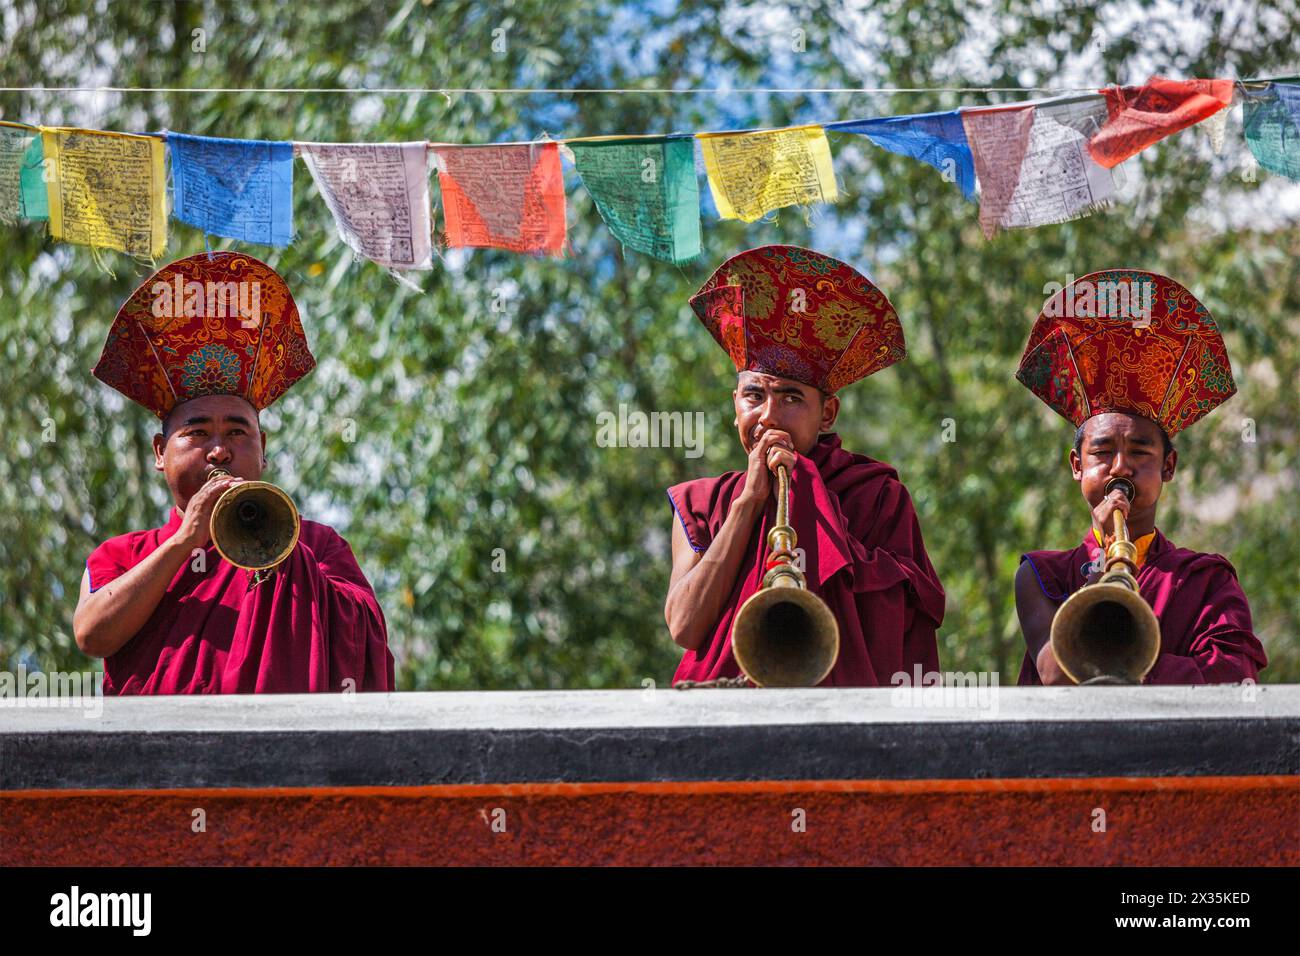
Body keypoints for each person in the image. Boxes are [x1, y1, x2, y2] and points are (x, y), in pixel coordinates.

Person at [72, 251, 395, 695]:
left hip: (283, 756)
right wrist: (187, 539)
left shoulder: (315, 544)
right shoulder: (125, 554)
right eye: (198, 432)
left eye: (238, 432)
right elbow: (92, 634)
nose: (220, 450)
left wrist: (286, 559)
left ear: (262, 449)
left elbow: (366, 636)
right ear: (161, 452)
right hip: (157, 760)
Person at [663, 245, 944, 686]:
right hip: (720, 719)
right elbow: (684, 626)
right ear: (736, 405)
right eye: (755, 396)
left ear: (827, 415)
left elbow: (905, 620)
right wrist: (749, 503)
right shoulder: (702, 502)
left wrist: (808, 493)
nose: (769, 416)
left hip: (839, 722)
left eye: (791, 397)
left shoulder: (876, 496)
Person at [1013, 268, 1266, 685]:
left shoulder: (1205, 581)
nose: (1119, 467)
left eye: (1139, 452)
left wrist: (1129, 667)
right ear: (1077, 466)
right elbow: (1056, 673)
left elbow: (1236, 678)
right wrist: (1100, 565)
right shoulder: (1040, 574)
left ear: (1168, 466)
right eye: (1102, 452)